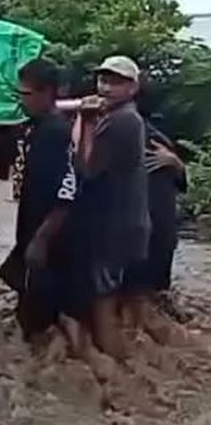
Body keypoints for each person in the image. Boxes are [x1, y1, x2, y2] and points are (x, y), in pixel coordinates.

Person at [1, 58, 84, 355]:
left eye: (26, 94)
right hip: (35, 228)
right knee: (12, 276)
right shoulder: (38, 128)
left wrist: (42, 239)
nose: (21, 101)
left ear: (48, 93)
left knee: (33, 320)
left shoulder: (54, 133)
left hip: (47, 236)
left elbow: (68, 189)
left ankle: (54, 363)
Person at [73, 56, 149, 361]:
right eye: (103, 79)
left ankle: (117, 374)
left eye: (116, 81)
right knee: (114, 300)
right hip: (126, 224)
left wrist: (86, 120)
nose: (105, 87)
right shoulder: (121, 117)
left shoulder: (122, 121)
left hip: (114, 227)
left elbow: (86, 168)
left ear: (133, 88)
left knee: (103, 303)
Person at [123, 123, 186, 338]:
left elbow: (182, 182)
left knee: (151, 294)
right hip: (140, 229)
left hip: (158, 228)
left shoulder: (153, 139)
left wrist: (176, 163)